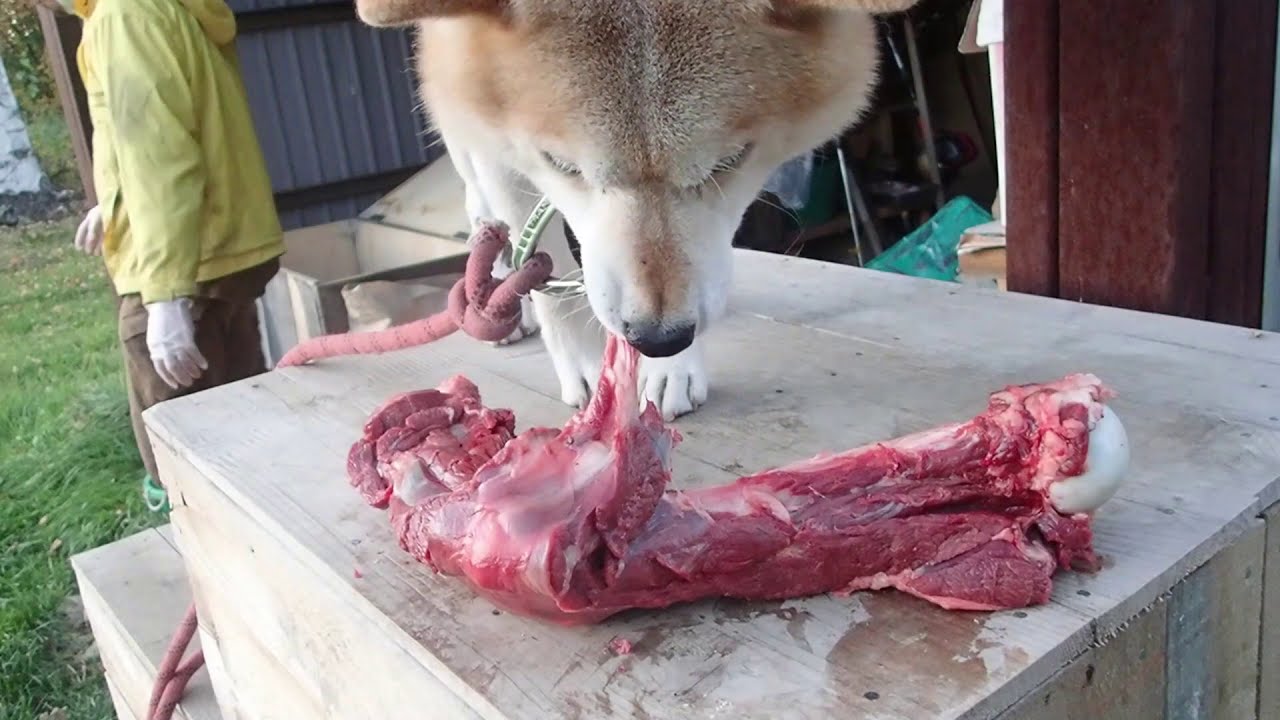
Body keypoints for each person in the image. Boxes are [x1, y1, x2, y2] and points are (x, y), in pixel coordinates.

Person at [55, 0, 285, 510]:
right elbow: (165, 130)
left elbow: (161, 156)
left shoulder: (122, 15)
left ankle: (217, 569)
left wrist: (165, 298)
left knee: (184, 469)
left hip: (184, 267)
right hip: (218, 250)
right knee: (249, 440)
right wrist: (114, 202)